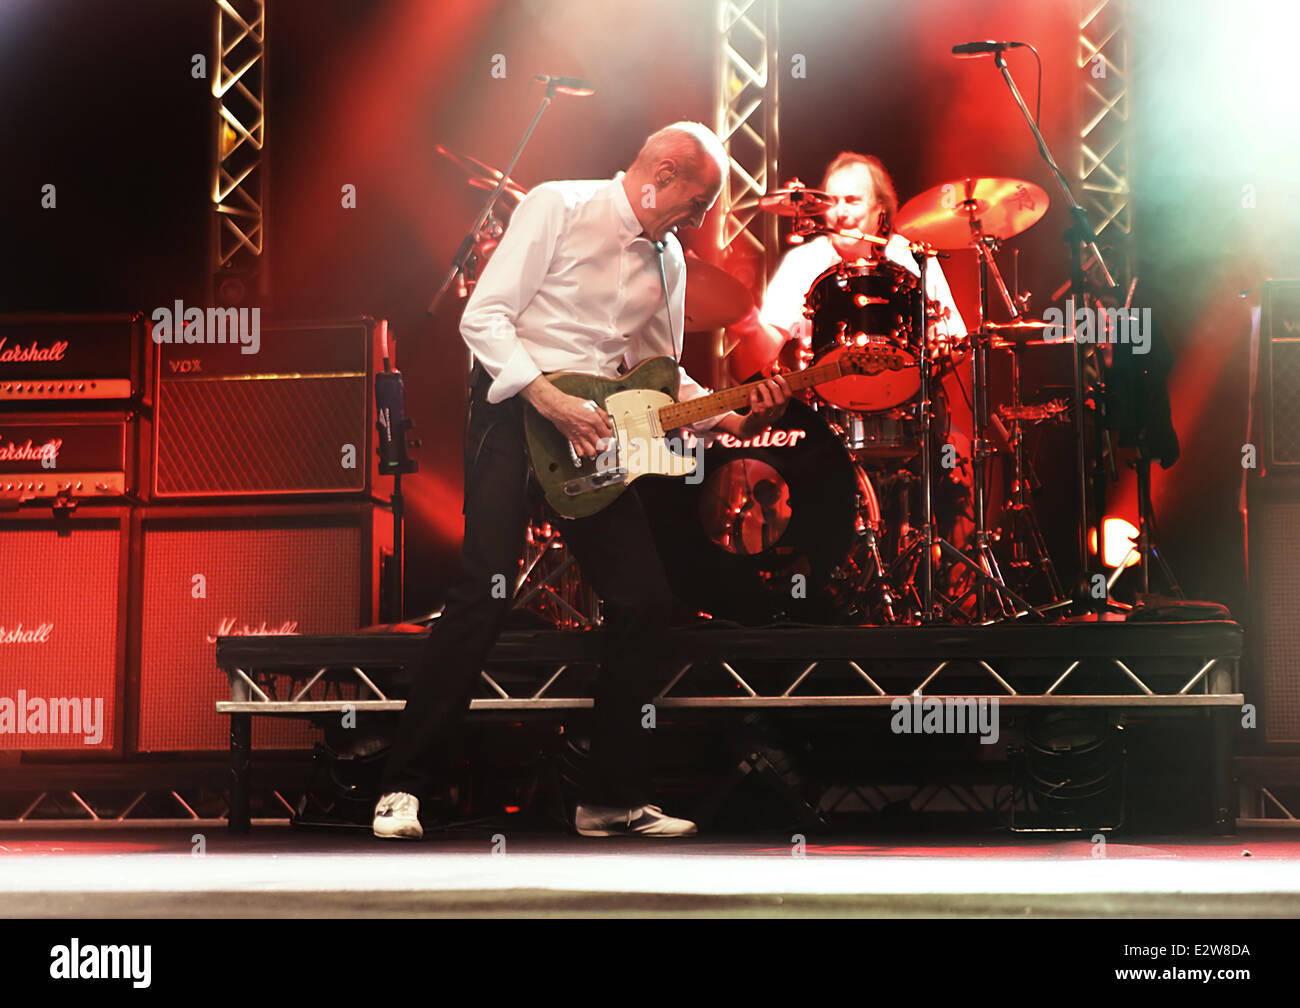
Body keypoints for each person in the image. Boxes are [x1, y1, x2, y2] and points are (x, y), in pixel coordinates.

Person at [374, 122, 791, 840]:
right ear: (660, 172)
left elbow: (659, 378)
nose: (696, 220)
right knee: (483, 591)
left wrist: (729, 412)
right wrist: (549, 399)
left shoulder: (671, 261)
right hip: (517, 409)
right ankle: (401, 789)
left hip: (591, 430)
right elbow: (486, 318)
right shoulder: (555, 206)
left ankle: (609, 797)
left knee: (643, 599)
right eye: (695, 202)